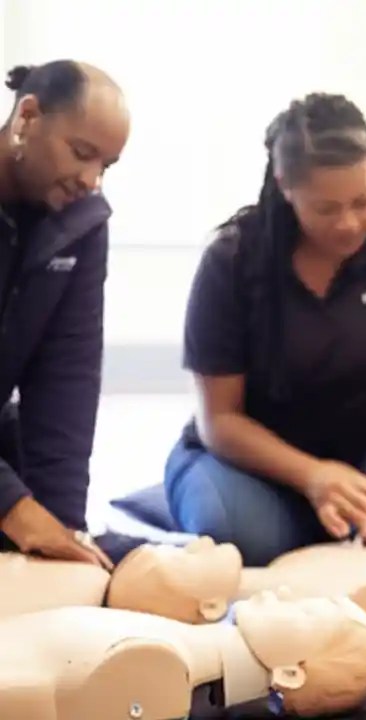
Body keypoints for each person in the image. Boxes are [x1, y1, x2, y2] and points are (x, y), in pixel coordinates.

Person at [165, 92, 366, 567]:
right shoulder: (232, 260)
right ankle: (188, 495)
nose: (349, 224)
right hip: (242, 459)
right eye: (326, 209)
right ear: (285, 186)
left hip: (359, 455)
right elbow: (219, 420)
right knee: (248, 543)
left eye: (362, 201)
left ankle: (315, 519)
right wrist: (313, 478)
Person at [0, 60, 130, 569]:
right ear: (27, 118)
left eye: (107, 165)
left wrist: (62, 528)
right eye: (82, 154)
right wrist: (15, 510)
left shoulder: (83, 224)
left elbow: (67, 377)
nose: (91, 179)